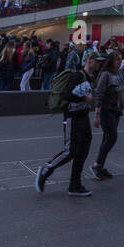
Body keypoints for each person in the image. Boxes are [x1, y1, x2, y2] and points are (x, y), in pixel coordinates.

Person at [36, 52, 101, 197]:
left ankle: (75, 185)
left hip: (83, 117)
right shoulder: (78, 75)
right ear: (89, 60)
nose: (98, 64)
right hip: (73, 117)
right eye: (96, 61)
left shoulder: (91, 77)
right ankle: (47, 169)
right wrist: (85, 96)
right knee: (70, 151)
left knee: (82, 152)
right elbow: (67, 95)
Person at [92, 51, 124, 181]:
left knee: (106, 138)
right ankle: (96, 165)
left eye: (121, 59)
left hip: (117, 110)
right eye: (117, 59)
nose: (120, 61)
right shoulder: (105, 75)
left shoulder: (120, 73)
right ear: (111, 61)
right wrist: (96, 116)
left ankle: (100, 166)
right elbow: (99, 94)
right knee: (112, 138)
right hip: (106, 111)